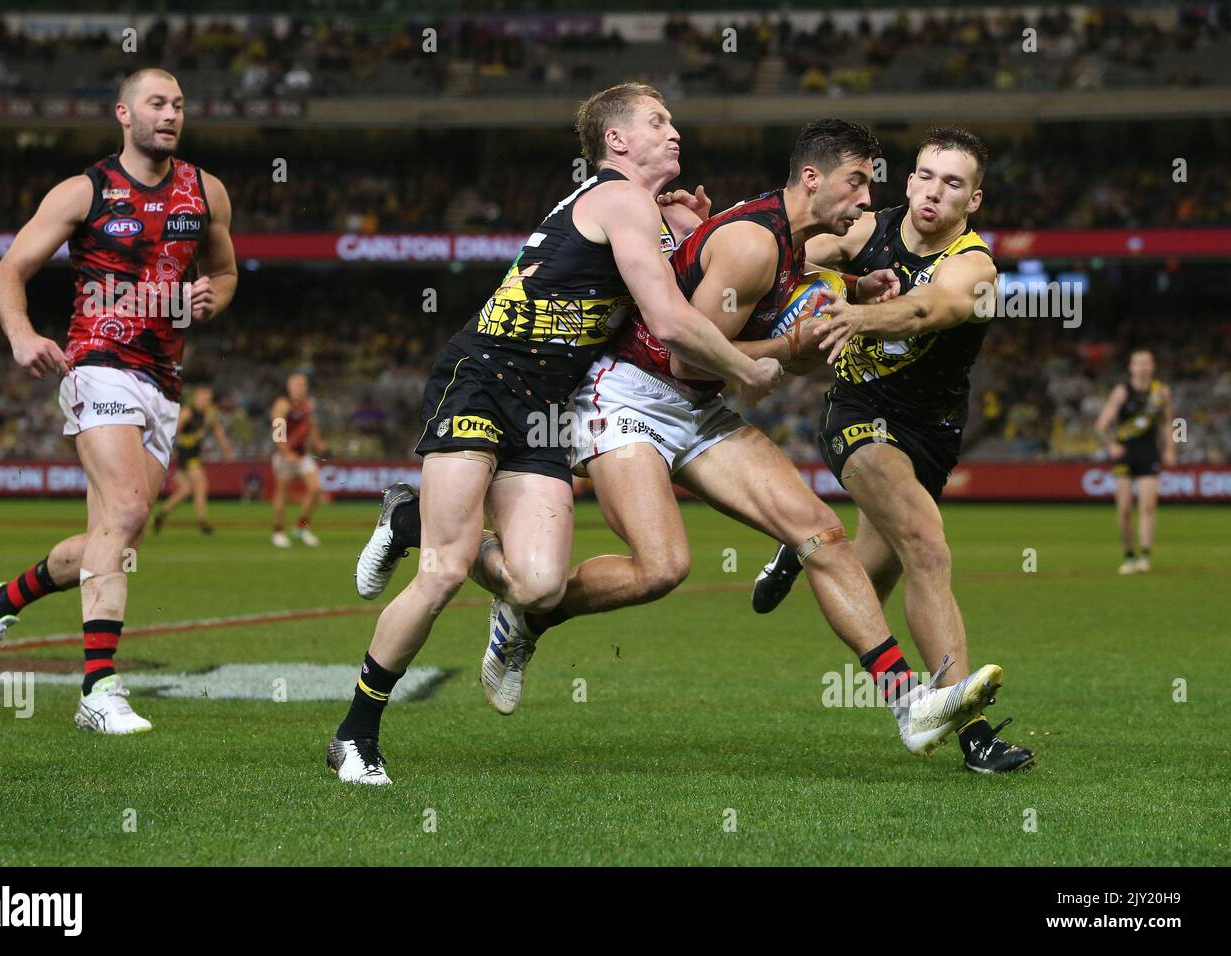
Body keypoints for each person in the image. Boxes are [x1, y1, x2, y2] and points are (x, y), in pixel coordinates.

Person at [471, 118, 1002, 761]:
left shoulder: (802, 245)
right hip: (631, 393)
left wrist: (850, 295)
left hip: (698, 408)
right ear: (814, 180)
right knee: (662, 567)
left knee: (822, 535)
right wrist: (788, 345)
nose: (869, 201)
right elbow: (691, 357)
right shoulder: (755, 247)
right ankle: (527, 614)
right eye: (858, 185)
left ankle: (908, 704)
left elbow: (783, 320)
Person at [334, 82, 782, 785]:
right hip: (482, 378)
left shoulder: (645, 211)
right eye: (656, 122)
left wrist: (687, 231)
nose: (675, 132)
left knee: (538, 588)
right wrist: (745, 368)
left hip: (546, 406)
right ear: (617, 141)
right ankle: (356, 735)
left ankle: (408, 516)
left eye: (672, 120)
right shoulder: (617, 197)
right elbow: (666, 320)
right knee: (447, 570)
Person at [0, 68, 237, 734]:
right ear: (123, 113)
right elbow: (8, 271)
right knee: (131, 508)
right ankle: (99, 690)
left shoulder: (206, 191)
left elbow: (223, 273)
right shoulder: (84, 190)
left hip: (164, 378)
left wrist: (210, 299)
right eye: (156, 103)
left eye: (178, 103)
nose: (170, 114)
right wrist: (23, 334)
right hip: (98, 366)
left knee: (113, 533)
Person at [750, 127, 1034, 773]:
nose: (936, 191)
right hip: (858, 414)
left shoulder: (975, 265)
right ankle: (975, 736)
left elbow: (929, 310)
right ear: (908, 180)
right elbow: (775, 251)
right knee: (927, 549)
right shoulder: (863, 230)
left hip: (931, 433)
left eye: (953, 183)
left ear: (974, 200)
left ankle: (805, 543)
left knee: (864, 585)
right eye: (927, 176)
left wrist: (855, 314)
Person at [1094, 349, 1176, 574]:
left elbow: (1168, 422)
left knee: (1148, 506)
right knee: (1124, 510)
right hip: (1126, 454)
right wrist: (1110, 445)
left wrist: (1170, 449)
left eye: (1146, 363)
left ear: (1152, 366)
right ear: (1131, 367)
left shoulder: (1162, 392)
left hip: (1149, 452)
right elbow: (1101, 424)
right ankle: (1129, 556)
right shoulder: (1121, 392)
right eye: (1138, 363)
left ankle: (1145, 556)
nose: (1142, 367)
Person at [153, 383, 234, 534]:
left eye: (207, 399)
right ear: (195, 398)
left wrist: (226, 448)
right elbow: (174, 430)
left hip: (194, 453)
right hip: (187, 453)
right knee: (202, 484)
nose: (205, 401)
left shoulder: (208, 414)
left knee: (186, 490)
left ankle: (162, 513)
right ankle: (203, 521)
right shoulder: (188, 412)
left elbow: (218, 431)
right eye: (203, 398)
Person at [270, 372, 326, 548]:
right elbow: (277, 432)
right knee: (282, 493)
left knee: (315, 489)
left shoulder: (307, 405)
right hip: (285, 455)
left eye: (302, 385)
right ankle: (278, 531)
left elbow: (309, 425)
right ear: (289, 387)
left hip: (302, 455)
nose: (300, 388)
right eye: (296, 385)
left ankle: (301, 527)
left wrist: (319, 443)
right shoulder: (282, 404)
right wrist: (287, 453)